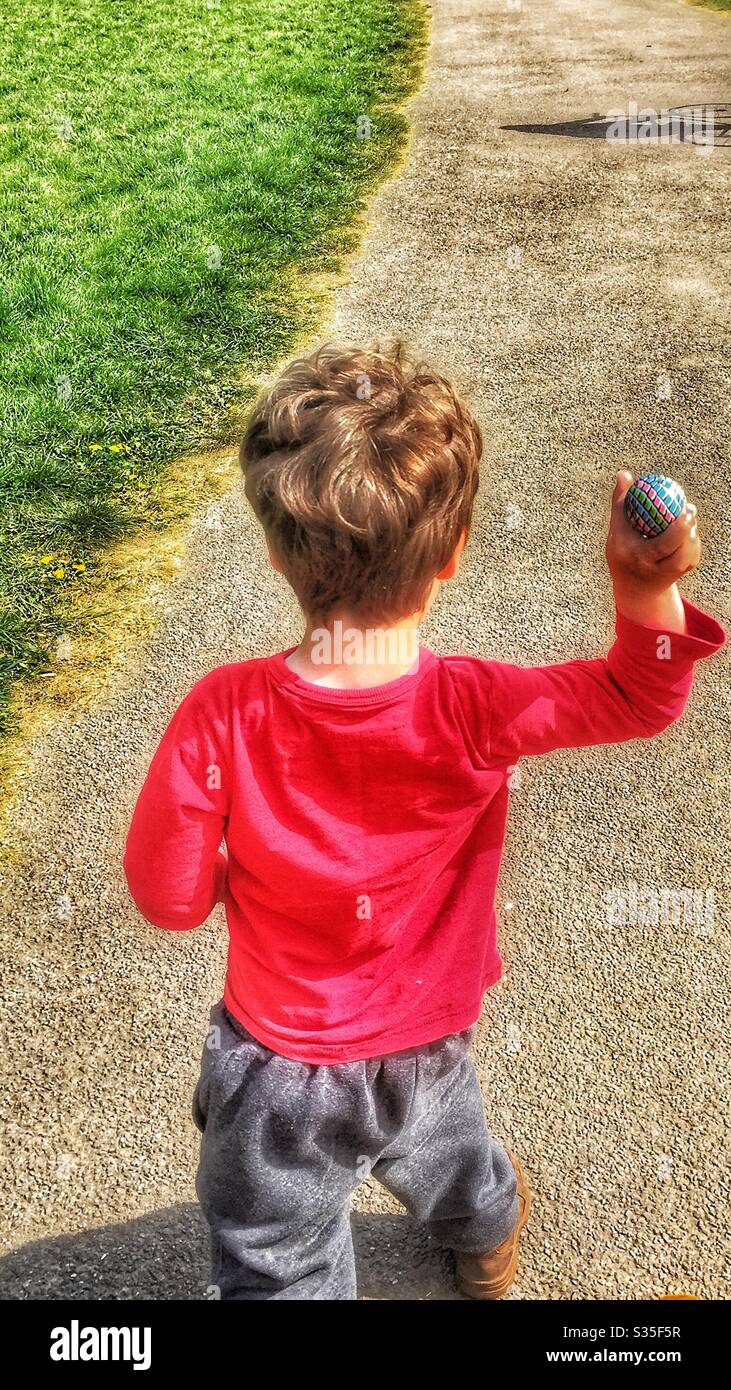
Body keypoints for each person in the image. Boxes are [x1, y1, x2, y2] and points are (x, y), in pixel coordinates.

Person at [124, 342, 724, 1300]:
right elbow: (633, 694)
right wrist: (644, 584)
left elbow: (168, 897)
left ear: (277, 551)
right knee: (450, 1157)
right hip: (427, 1034)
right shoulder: (473, 704)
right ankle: (484, 1244)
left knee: (274, 1255)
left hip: (279, 1064)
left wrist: (241, 876)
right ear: (453, 554)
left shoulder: (222, 711)